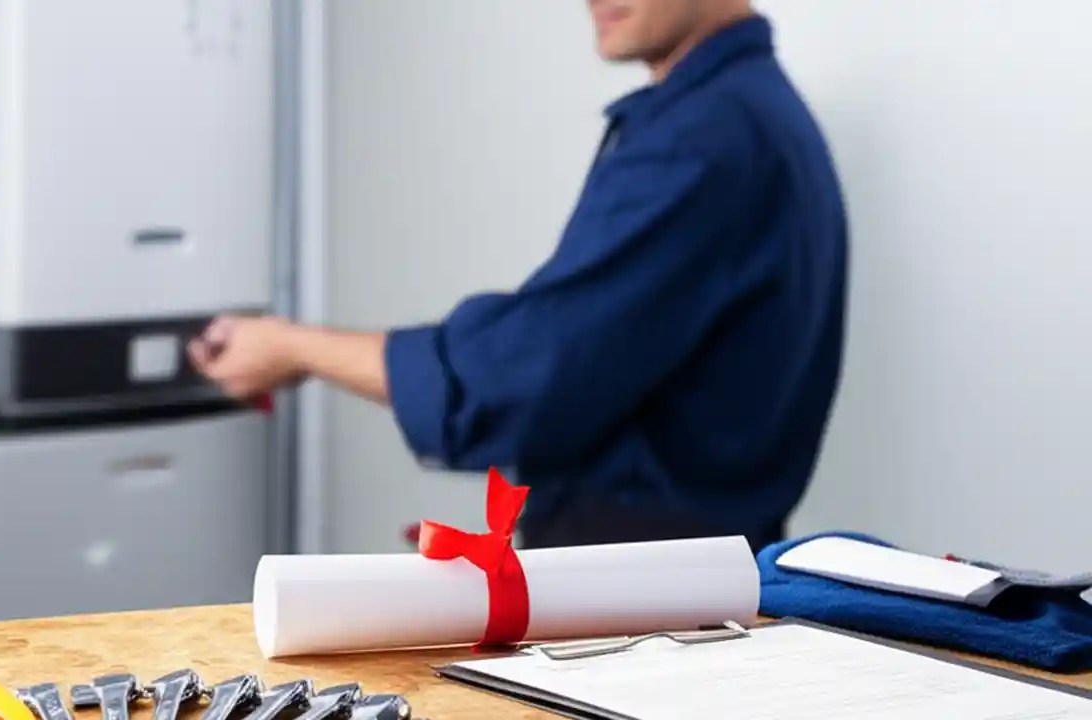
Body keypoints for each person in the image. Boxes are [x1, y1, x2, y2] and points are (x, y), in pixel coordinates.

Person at [189, 0, 848, 553]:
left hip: (645, 613)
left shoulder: (704, 139)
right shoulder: (760, 114)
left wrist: (292, 347)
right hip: (678, 586)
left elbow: (514, 376)